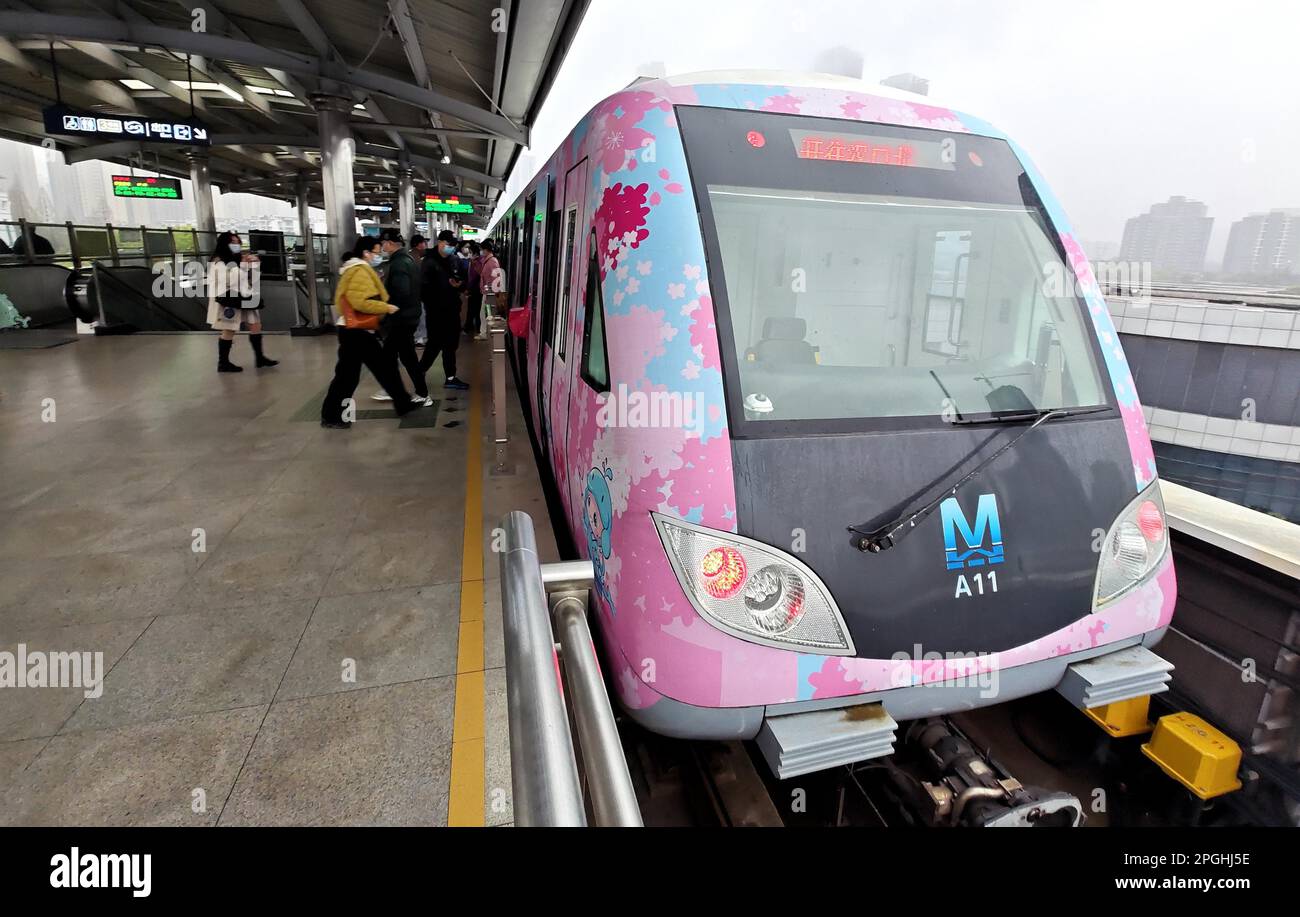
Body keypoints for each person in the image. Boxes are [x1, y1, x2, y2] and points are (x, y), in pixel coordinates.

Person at [320, 236, 424, 429]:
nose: (379, 255)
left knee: (383, 368)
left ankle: (403, 403)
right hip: (355, 331)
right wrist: (386, 307)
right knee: (349, 375)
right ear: (366, 253)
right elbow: (361, 302)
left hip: (359, 330)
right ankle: (332, 415)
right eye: (376, 252)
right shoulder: (359, 271)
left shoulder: (358, 269)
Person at [370, 229, 431, 405]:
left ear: (389, 244)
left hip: (401, 318)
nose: (381, 248)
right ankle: (421, 393)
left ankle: (395, 390)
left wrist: (385, 303)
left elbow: (401, 291)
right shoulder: (407, 260)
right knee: (407, 357)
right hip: (408, 316)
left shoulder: (398, 264)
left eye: (382, 244)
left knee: (390, 356)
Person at [207, 231, 277, 372]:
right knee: (229, 329)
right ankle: (223, 363)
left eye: (238, 242)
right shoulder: (218, 262)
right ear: (224, 244)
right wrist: (244, 266)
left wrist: (254, 264)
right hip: (228, 300)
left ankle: (260, 357)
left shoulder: (237, 259)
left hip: (243, 296)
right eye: (232, 242)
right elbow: (230, 280)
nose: (236, 245)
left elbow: (249, 276)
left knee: (255, 325)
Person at [418, 229, 470, 390]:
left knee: (450, 345)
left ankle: (450, 377)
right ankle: (419, 372)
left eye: (453, 246)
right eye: (448, 245)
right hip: (436, 311)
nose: (451, 248)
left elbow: (463, 280)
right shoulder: (428, 262)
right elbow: (423, 289)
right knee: (434, 344)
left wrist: (459, 285)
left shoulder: (454, 260)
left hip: (452, 309)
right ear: (440, 243)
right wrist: (437, 298)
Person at [477, 239, 505, 339]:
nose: (481, 252)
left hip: (490, 292)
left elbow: (496, 279)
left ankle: (485, 334)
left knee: (485, 314)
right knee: (485, 314)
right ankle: (485, 333)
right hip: (487, 291)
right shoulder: (488, 261)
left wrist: (494, 294)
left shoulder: (492, 262)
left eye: (482, 250)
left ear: (486, 250)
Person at [409, 234, 429, 345]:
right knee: (421, 315)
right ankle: (419, 338)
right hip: (417, 293)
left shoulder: (413, 255)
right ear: (419, 245)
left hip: (415, 293)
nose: (425, 245)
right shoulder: (415, 258)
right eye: (424, 243)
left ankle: (419, 336)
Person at [463, 241, 484, 338]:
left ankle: (470, 327)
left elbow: (473, 277)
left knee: (472, 308)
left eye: (469, 251)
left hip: (475, 288)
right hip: (478, 288)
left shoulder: (476, 262)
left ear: (473, 252)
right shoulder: (480, 260)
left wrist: (468, 288)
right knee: (476, 308)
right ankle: (473, 326)